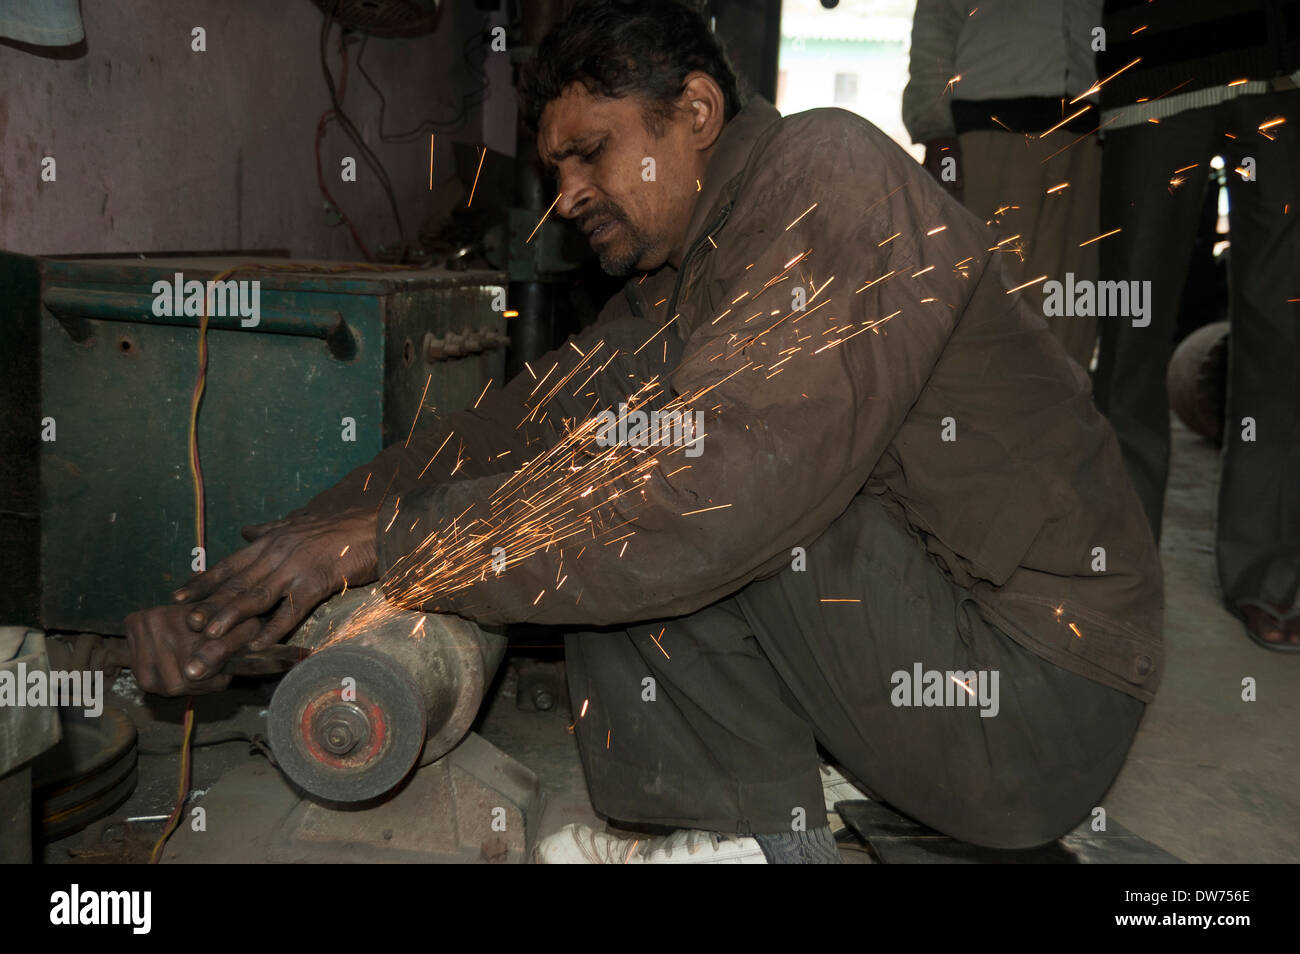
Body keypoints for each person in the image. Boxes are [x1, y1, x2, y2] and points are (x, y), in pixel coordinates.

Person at [126, 0, 1162, 864]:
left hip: (1028, 702)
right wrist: (263, 573)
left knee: (675, 498)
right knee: (589, 469)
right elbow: (503, 436)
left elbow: (713, 497)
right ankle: (762, 808)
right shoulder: (680, 279)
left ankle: (739, 843)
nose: (566, 196)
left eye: (590, 154)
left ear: (697, 112)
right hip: (957, 665)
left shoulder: (828, 176)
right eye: (554, 170)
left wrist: (392, 546)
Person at [1091, 0, 1300, 650]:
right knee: (1131, 328)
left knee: (1282, 331)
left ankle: (1271, 574)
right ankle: (1119, 574)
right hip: (1152, 63)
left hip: (1277, 66)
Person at [904, 0, 1104, 369]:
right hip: (991, 131)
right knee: (990, 299)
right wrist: (937, 134)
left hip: (1082, 136)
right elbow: (936, 25)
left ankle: (1058, 420)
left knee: (1071, 304)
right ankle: (980, 421)